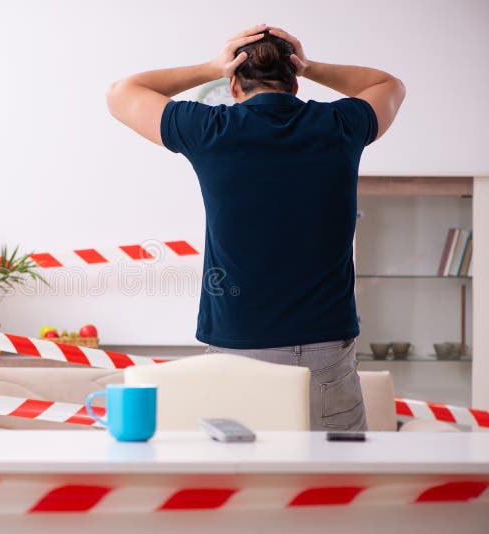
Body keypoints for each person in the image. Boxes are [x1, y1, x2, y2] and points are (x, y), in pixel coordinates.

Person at [106, 24, 405, 431]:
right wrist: (311, 65)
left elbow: (121, 93)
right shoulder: (339, 125)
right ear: (294, 82)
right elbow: (389, 85)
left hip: (238, 351)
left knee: (245, 486)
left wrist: (211, 66)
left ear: (233, 85)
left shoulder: (211, 129)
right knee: (334, 486)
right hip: (324, 348)